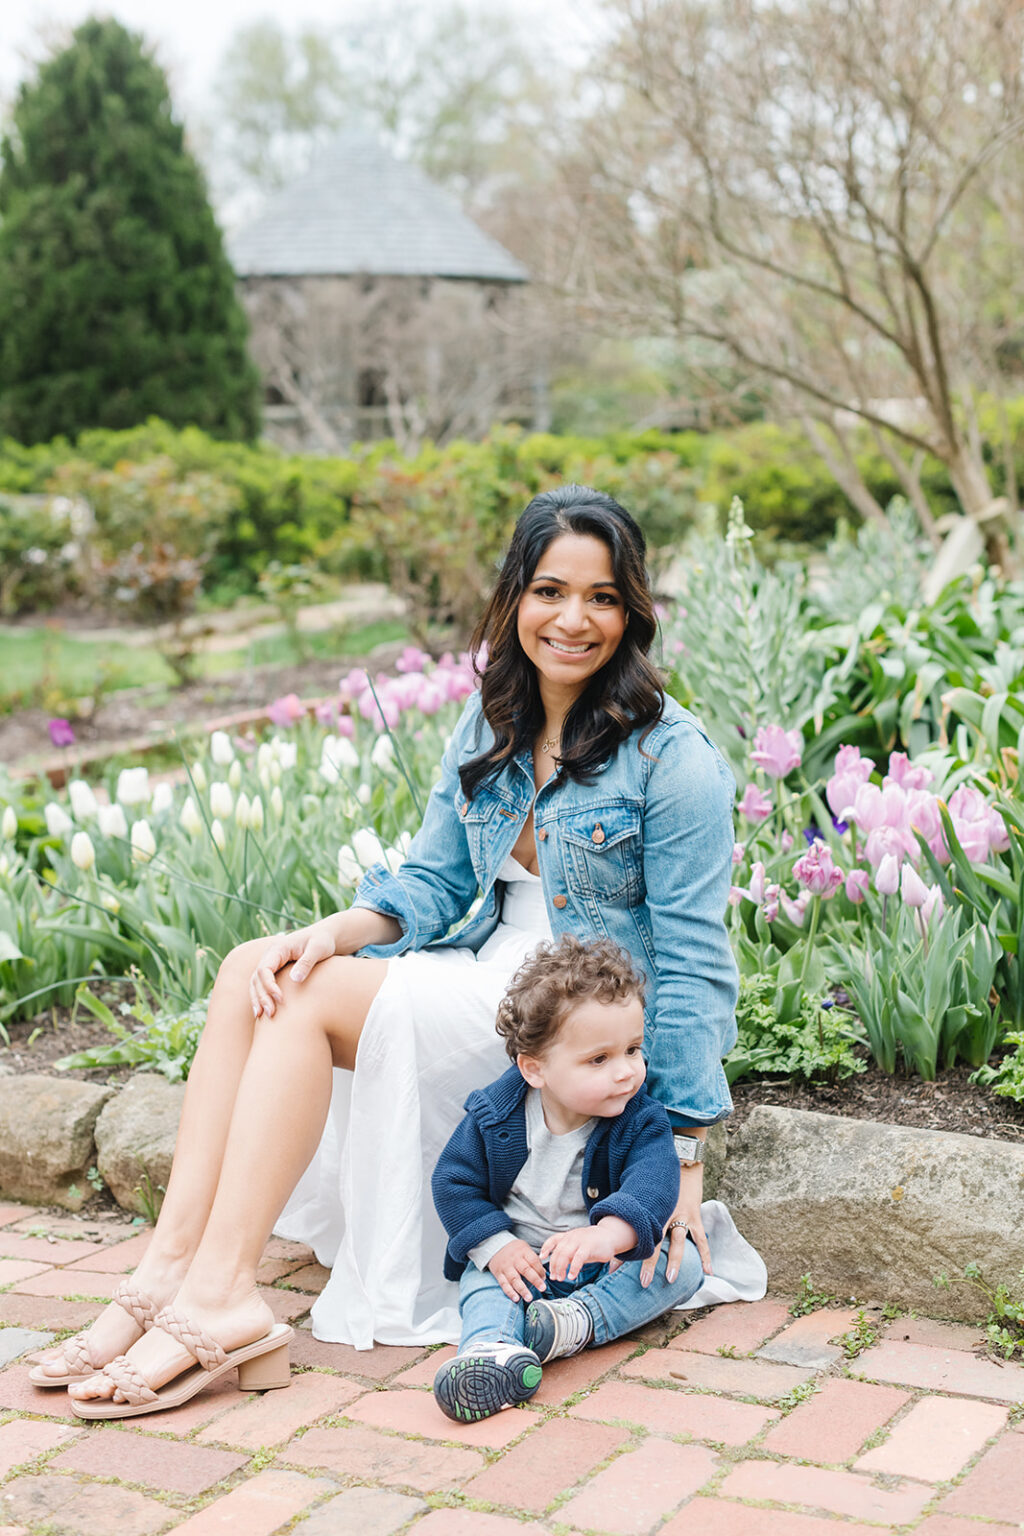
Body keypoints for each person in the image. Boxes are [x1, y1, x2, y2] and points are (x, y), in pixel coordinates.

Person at [30, 483, 739, 1419]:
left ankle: (222, 1296)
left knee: (313, 1003)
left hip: (574, 1020)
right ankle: (170, 1272)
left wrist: (684, 1150)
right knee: (258, 965)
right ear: (513, 598)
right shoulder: (493, 721)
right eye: (550, 590)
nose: (574, 618)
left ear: (632, 609)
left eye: (602, 597)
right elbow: (436, 880)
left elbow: (693, 960)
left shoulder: (671, 757)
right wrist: (331, 932)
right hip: (490, 972)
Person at [431, 933, 703, 1423]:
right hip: (525, 1260)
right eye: (599, 1059)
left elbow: (654, 1185)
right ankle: (486, 1354)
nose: (626, 1072)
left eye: (633, 1049)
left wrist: (610, 1236)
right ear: (536, 1069)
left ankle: (570, 1324)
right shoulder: (496, 1114)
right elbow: (454, 1182)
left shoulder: (639, 1120)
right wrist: (495, 1246)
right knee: (487, 1286)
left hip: (606, 1262)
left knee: (679, 1269)